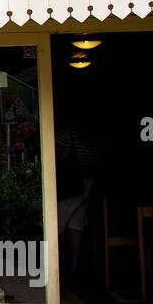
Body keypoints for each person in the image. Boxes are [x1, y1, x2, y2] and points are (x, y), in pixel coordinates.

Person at [55, 118, 103, 283]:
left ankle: (61, 265)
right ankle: (73, 268)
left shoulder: (67, 136)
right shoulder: (95, 139)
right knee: (76, 227)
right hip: (88, 185)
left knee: (57, 227)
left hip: (69, 187)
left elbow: (53, 155)